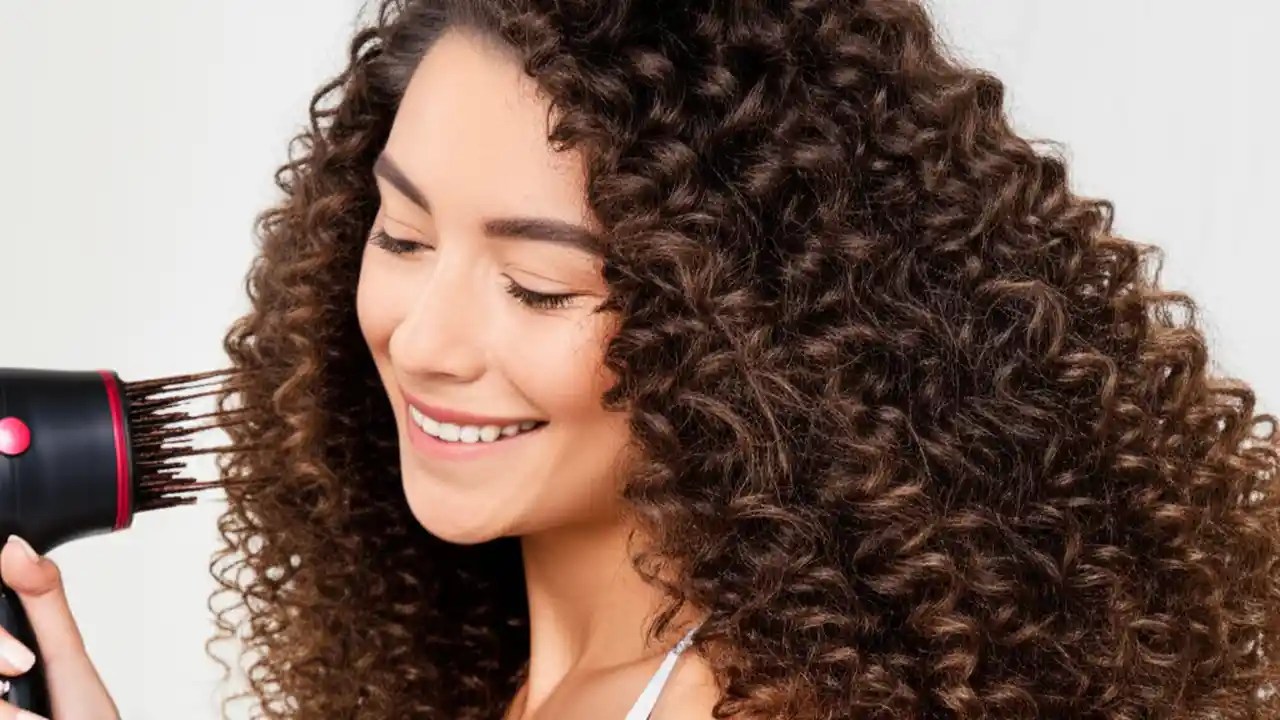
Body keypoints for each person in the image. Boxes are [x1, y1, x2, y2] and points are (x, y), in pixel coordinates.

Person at [4, 0, 1280, 718]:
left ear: (752, 333)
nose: (424, 340)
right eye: (400, 236)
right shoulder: (490, 679)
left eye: (537, 285)